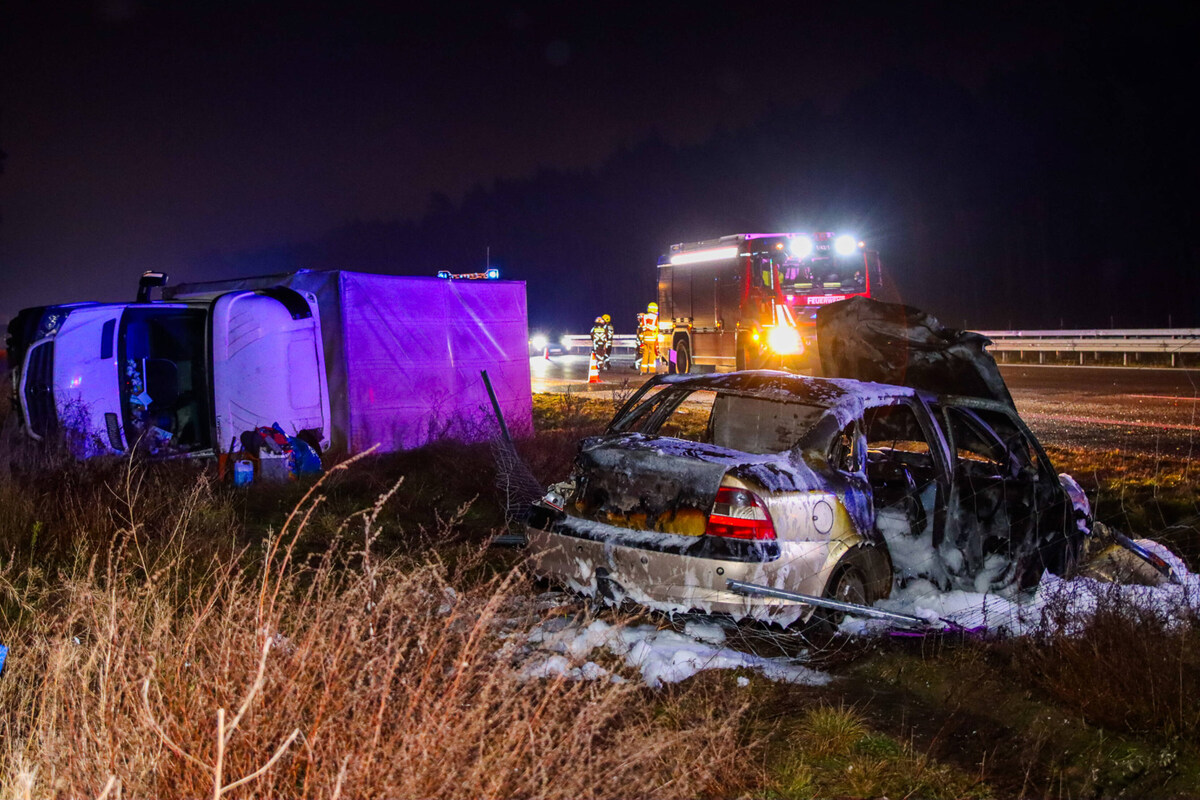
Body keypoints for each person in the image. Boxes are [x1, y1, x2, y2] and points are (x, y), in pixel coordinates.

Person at [635, 302, 659, 374]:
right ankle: (651, 370)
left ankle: (643, 370)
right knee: (652, 354)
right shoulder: (656, 317)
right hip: (652, 337)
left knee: (645, 354)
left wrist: (641, 339)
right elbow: (656, 327)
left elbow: (642, 328)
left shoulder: (644, 317)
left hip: (645, 338)